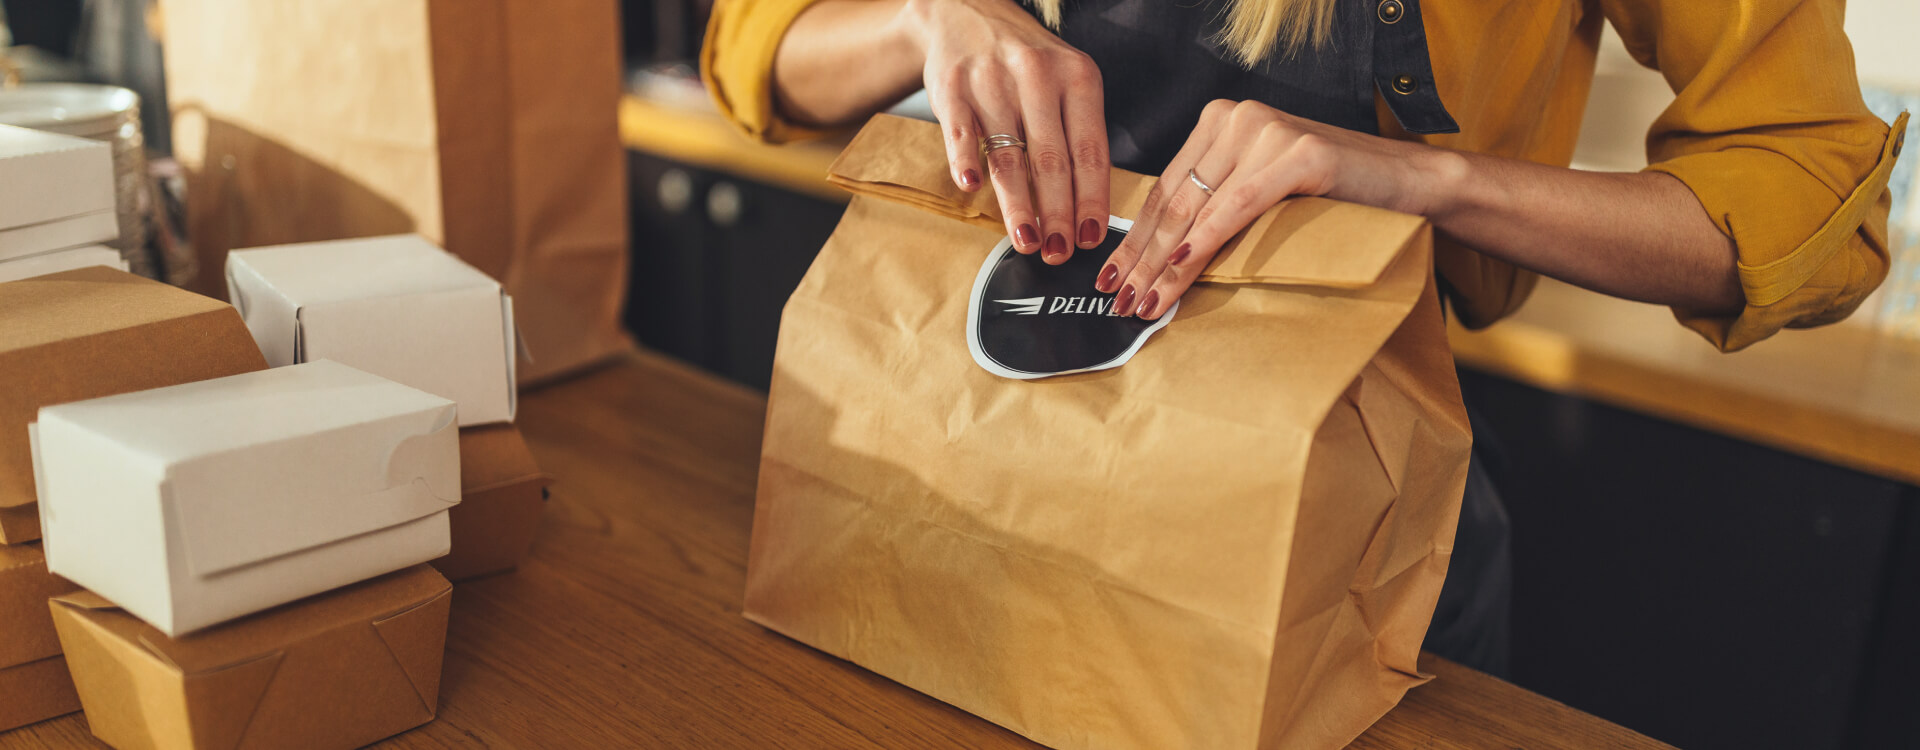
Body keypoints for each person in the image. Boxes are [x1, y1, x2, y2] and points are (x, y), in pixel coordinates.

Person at [700, 0, 1904, 674]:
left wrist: (1425, 180)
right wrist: (928, 17)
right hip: (968, 475)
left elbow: (1817, 198)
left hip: (1337, 514)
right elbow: (752, 53)